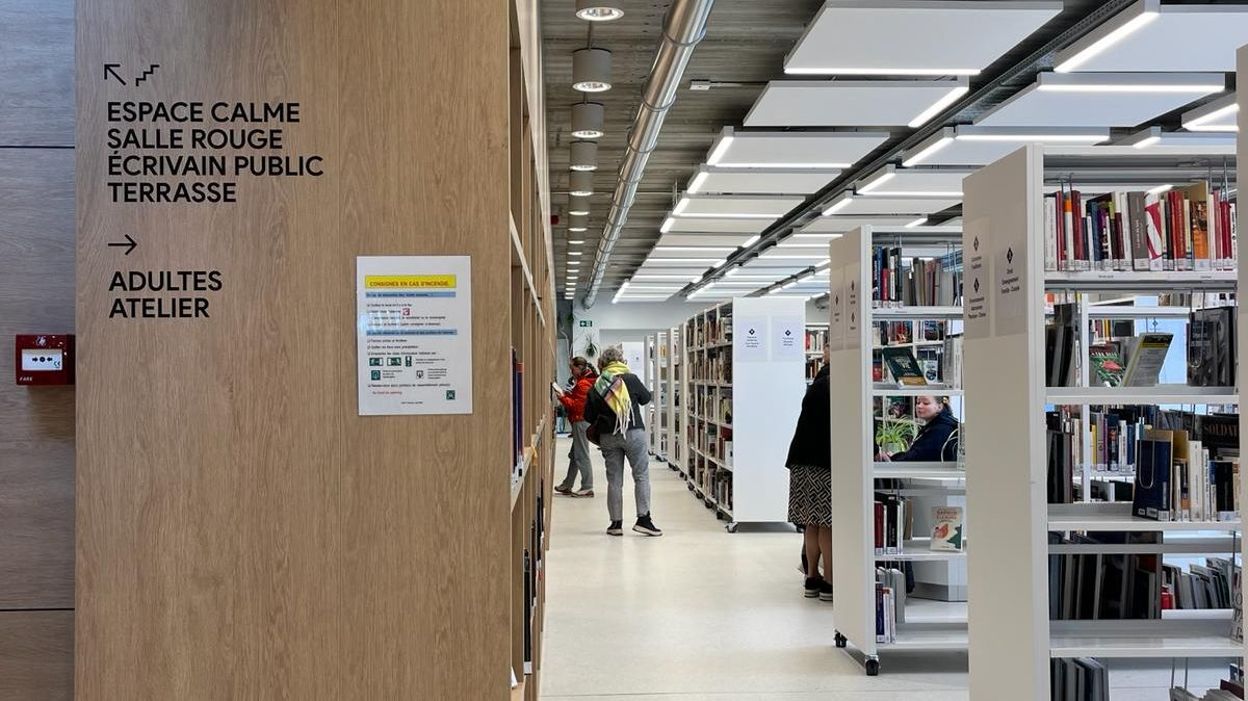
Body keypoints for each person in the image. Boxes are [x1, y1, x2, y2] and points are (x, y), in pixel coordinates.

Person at [584, 346, 662, 537]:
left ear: (602, 363)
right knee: (641, 475)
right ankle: (643, 520)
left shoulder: (597, 385)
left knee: (614, 480)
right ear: (621, 360)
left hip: (608, 436)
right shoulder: (631, 379)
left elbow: (588, 415)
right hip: (633, 432)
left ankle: (615, 524)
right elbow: (646, 398)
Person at [785, 346, 833, 601]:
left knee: (811, 523)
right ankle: (830, 581)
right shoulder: (839, 385)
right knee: (828, 524)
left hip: (802, 460)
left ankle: (812, 577)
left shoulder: (817, 384)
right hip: (824, 462)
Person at [554, 357, 596, 498]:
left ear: (579, 368)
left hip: (580, 422)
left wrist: (561, 396)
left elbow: (576, 406)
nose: (571, 372)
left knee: (581, 455)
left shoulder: (584, 384)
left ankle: (587, 486)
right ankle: (567, 484)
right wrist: (567, 395)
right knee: (575, 455)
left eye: (572, 368)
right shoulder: (586, 381)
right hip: (581, 422)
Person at [877, 395, 959, 462]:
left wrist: (893, 459)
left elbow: (918, 456)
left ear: (940, 407)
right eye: (918, 402)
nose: (919, 406)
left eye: (926, 403)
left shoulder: (941, 430)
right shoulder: (938, 425)